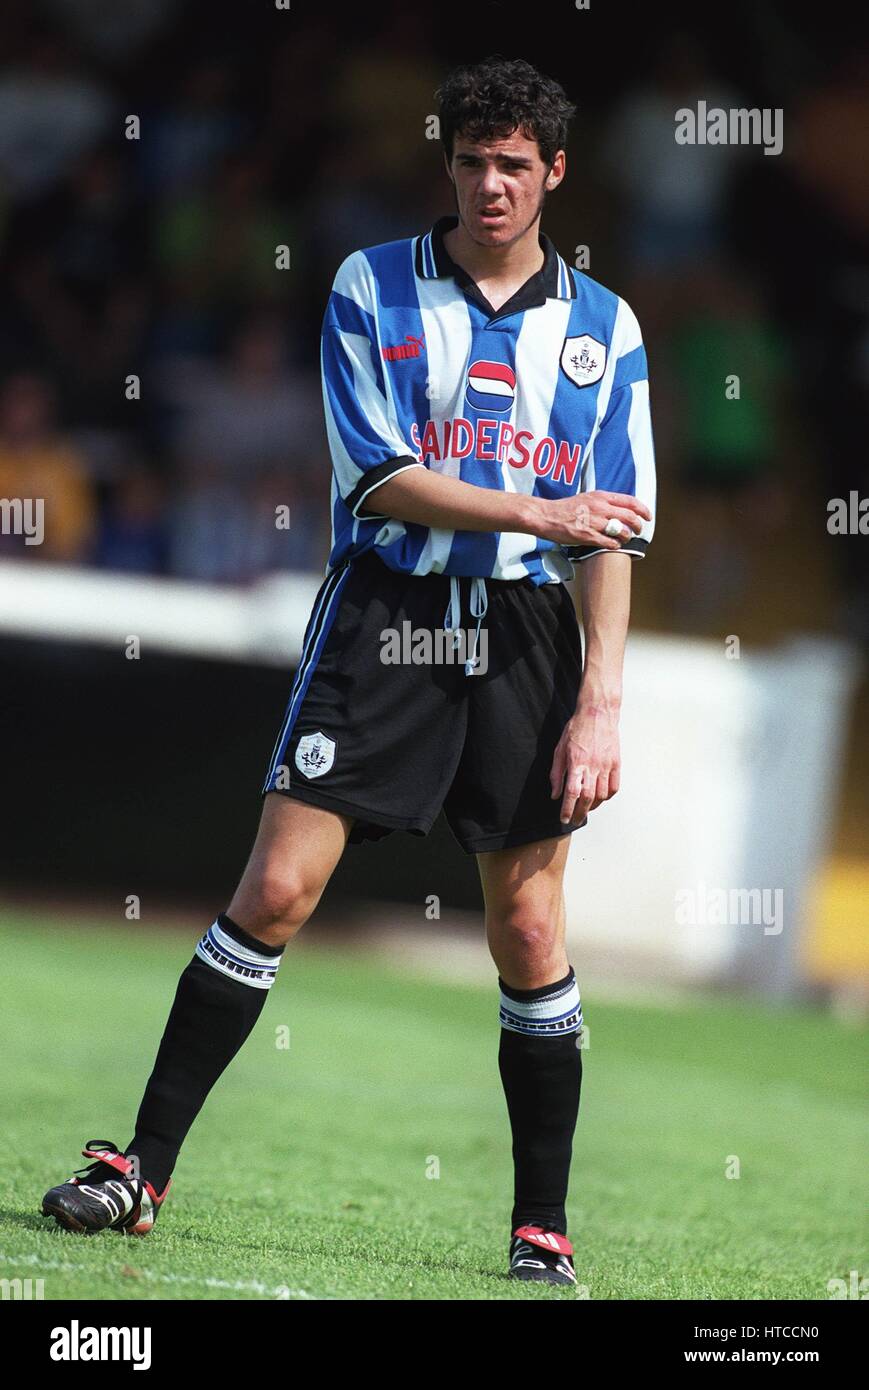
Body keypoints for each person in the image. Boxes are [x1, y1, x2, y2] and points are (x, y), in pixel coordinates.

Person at [42, 56, 655, 1288]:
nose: (490, 185)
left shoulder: (606, 328)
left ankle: (540, 1229)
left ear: (553, 173)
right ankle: (139, 1168)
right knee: (276, 888)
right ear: (448, 164)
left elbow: (614, 533)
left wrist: (599, 703)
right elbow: (376, 476)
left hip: (526, 637)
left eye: (513, 165)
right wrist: (537, 511)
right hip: (386, 612)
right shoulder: (369, 285)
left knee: (527, 926)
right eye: (471, 161)